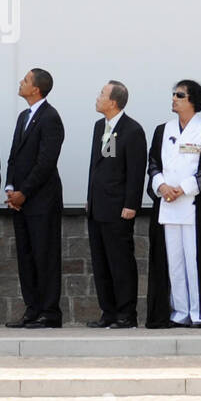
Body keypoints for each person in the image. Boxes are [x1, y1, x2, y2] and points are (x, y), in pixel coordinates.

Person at [149, 79, 201, 328]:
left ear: (193, 100)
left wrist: (183, 188)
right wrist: (162, 186)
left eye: (180, 95)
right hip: (168, 205)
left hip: (194, 206)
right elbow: (153, 163)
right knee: (174, 261)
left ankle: (198, 312)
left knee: (196, 260)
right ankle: (179, 312)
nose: (174, 99)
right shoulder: (163, 130)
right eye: (173, 94)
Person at [5, 68, 65, 329]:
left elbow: (45, 162)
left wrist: (24, 191)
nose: (21, 82)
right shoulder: (23, 117)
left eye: (26, 80)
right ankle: (32, 308)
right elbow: (15, 155)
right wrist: (10, 187)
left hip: (41, 200)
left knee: (44, 255)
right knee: (26, 256)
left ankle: (49, 312)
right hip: (21, 202)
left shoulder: (50, 117)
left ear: (37, 89)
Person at [85, 81, 146, 329]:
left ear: (113, 102)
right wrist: (90, 197)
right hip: (98, 207)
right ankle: (108, 312)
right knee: (101, 263)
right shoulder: (101, 126)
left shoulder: (132, 130)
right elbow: (95, 167)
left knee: (120, 263)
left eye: (102, 94)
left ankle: (126, 313)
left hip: (119, 208)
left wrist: (131, 203)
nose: (97, 97)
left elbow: (136, 171)